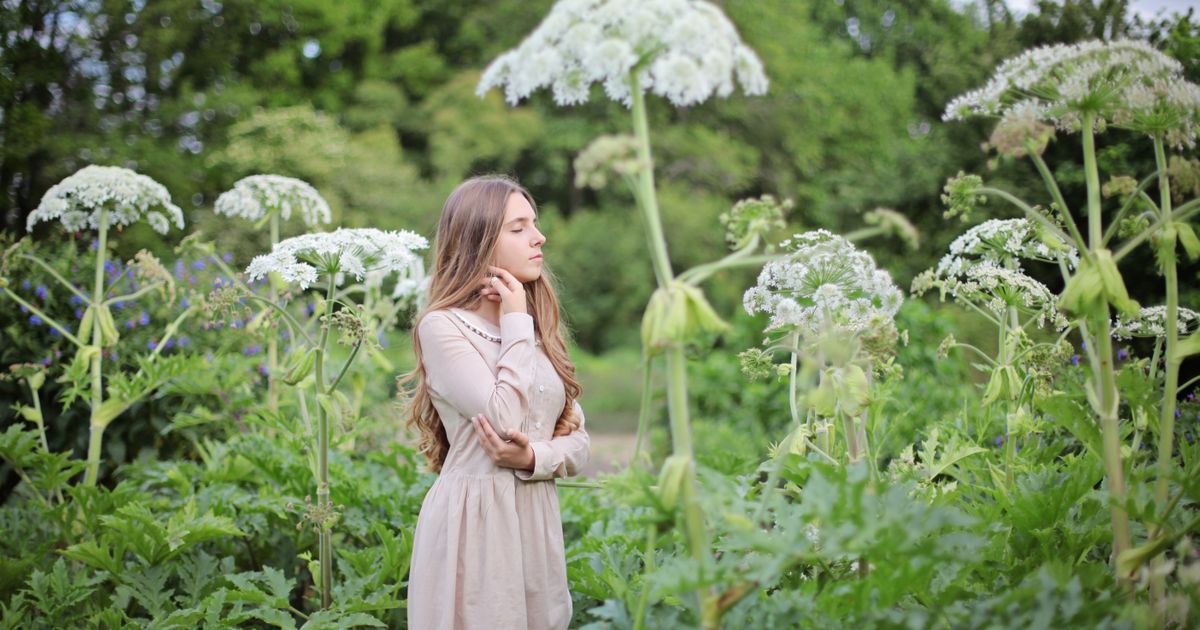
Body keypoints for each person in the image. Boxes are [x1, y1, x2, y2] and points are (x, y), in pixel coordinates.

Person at [402, 175, 591, 630]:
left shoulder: (536, 331)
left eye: (536, 223)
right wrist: (515, 322)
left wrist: (531, 456)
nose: (539, 236)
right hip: (476, 521)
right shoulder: (443, 328)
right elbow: (503, 416)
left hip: (536, 519)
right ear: (479, 241)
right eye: (519, 227)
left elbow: (579, 442)